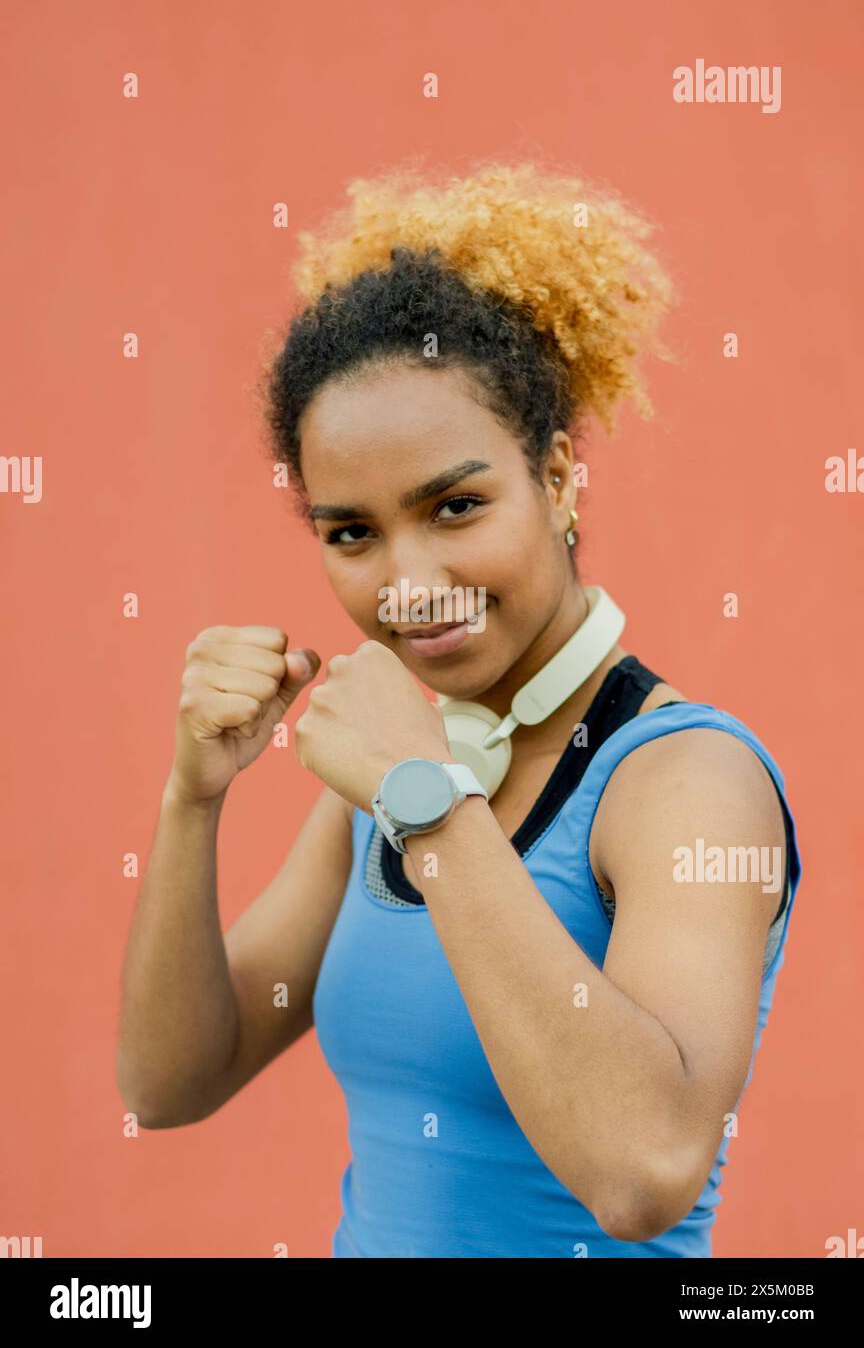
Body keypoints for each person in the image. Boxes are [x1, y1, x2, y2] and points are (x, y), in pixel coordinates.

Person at [116, 162, 803, 1258]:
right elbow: (168, 1081)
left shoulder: (684, 780)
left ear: (561, 478)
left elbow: (643, 1172)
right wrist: (191, 798)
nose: (408, 579)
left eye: (457, 505)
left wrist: (425, 800)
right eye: (352, 532)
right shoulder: (400, 768)